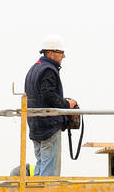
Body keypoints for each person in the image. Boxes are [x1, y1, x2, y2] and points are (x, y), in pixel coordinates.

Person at [23, 34, 78, 176]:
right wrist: (67, 104)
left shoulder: (34, 69)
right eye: (61, 52)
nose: (64, 56)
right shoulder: (48, 70)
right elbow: (48, 94)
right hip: (48, 127)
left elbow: (41, 94)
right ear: (50, 53)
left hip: (35, 125)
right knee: (49, 171)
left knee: (41, 164)